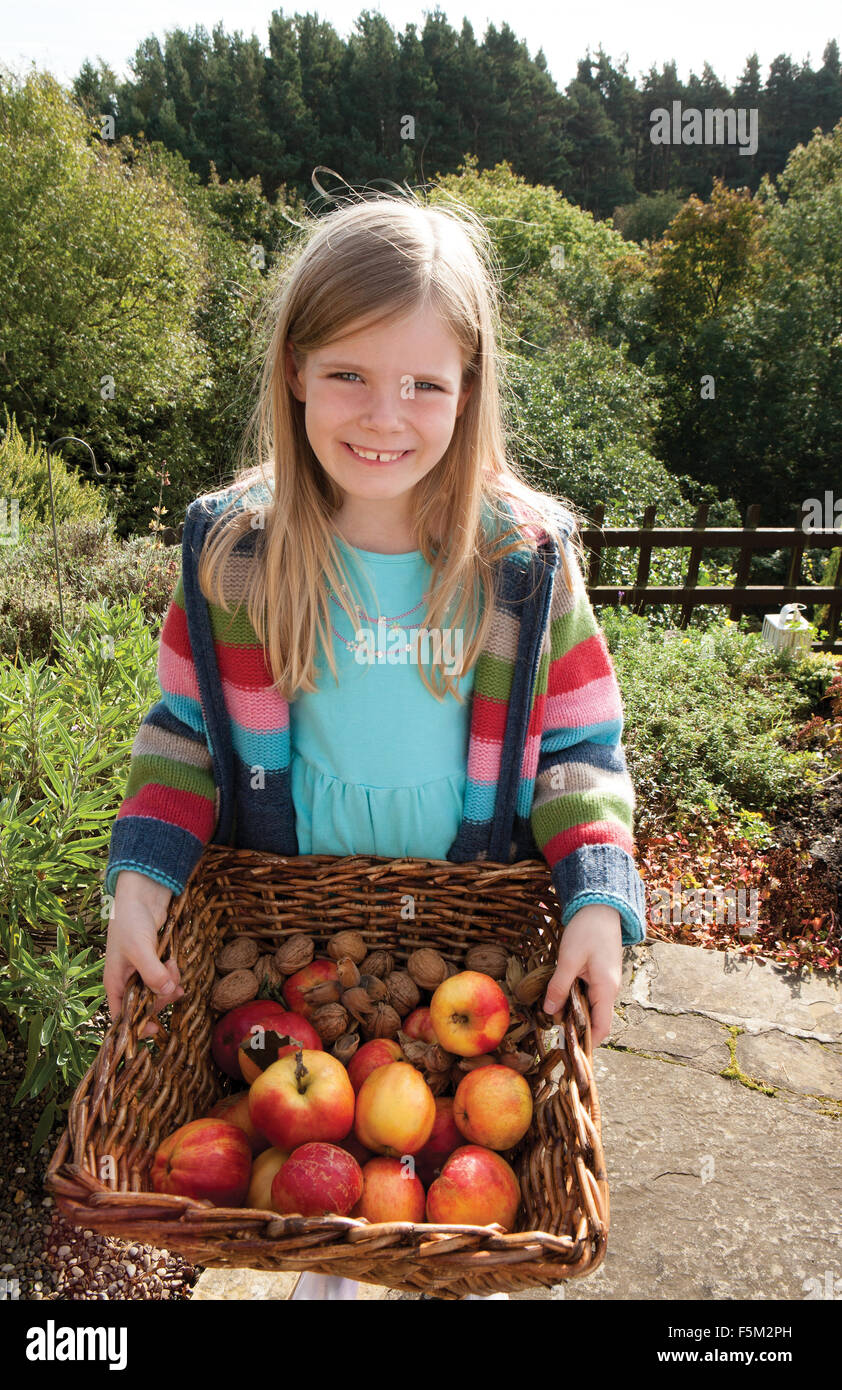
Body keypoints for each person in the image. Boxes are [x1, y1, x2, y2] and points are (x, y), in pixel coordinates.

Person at [102, 190, 647, 1302]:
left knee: (450, 1201)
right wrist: (139, 880)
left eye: (423, 384)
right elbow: (182, 740)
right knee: (327, 1204)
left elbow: (580, 744)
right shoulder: (235, 557)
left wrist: (595, 889)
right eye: (348, 373)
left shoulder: (521, 563)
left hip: (458, 932)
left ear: (469, 389)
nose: (382, 415)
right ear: (295, 367)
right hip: (299, 939)